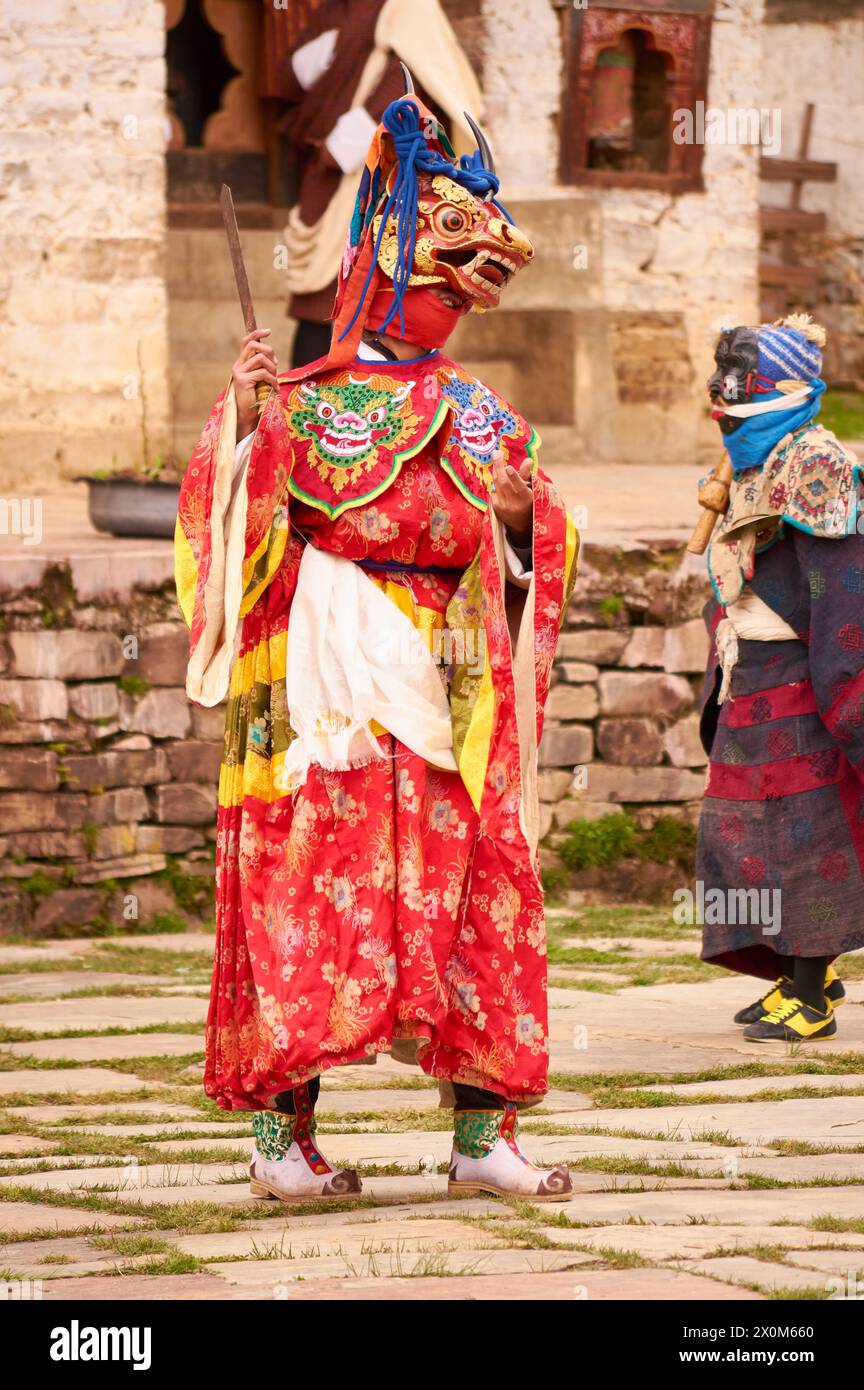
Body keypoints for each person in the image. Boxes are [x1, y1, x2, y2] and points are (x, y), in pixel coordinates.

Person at [175, 85, 579, 1201]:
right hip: (321, 703)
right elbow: (234, 539)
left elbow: (539, 536)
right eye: (453, 235)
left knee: (479, 894)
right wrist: (247, 425)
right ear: (391, 244)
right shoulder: (299, 404)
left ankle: (480, 1135)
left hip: (449, 689)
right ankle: (280, 1145)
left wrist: (513, 517)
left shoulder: (487, 413)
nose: (485, 261)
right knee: (303, 894)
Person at [697, 314, 864, 1042]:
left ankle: (813, 994)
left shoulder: (819, 465)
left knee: (808, 839)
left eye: (741, 411)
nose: (729, 424)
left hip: (803, 676)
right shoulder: (756, 458)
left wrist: (845, 690)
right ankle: (797, 975)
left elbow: (842, 589)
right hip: (751, 670)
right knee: (738, 836)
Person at [268, 0, 482, 367]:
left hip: (375, 179)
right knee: (316, 308)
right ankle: (305, 414)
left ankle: (365, 410)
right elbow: (288, 78)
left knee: (362, 303)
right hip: (326, 176)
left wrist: (343, 148)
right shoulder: (335, 10)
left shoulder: (411, 7)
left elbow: (415, 79)